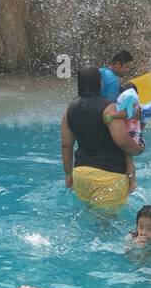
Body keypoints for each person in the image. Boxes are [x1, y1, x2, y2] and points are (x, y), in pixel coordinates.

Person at [61, 65, 143, 208]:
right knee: (107, 225)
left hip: (81, 175)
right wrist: (138, 149)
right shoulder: (110, 108)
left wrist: (68, 174)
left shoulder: (69, 110)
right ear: (99, 83)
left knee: (88, 219)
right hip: (109, 175)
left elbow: (66, 146)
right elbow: (122, 141)